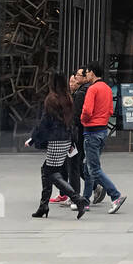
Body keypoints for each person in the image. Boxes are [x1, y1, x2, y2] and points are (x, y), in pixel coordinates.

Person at [27, 72, 87, 219]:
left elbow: (44, 122)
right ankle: (43, 206)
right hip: (66, 139)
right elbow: (71, 121)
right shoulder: (68, 98)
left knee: (51, 173)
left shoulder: (51, 99)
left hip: (55, 140)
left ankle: (77, 199)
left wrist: (33, 138)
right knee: (46, 170)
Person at [79, 62, 127, 213]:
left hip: (91, 131)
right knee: (89, 168)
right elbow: (111, 110)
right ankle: (85, 201)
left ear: (92, 73)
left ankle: (115, 195)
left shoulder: (92, 89)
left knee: (93, 169)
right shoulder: (106, 88)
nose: (86, 76)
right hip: (102, 131)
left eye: (86, 73)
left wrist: (83, 121)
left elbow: (87, 110)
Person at [68, 67, 106, 208]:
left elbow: (80, 114)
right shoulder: (88, 90)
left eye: (78, 75)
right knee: (83, 164)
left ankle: (82, 196)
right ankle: (89, 191)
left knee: (80, 165)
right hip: (91, 130)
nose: (75, 78)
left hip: (81, 132)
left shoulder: (84, 92)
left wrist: (81, 123)